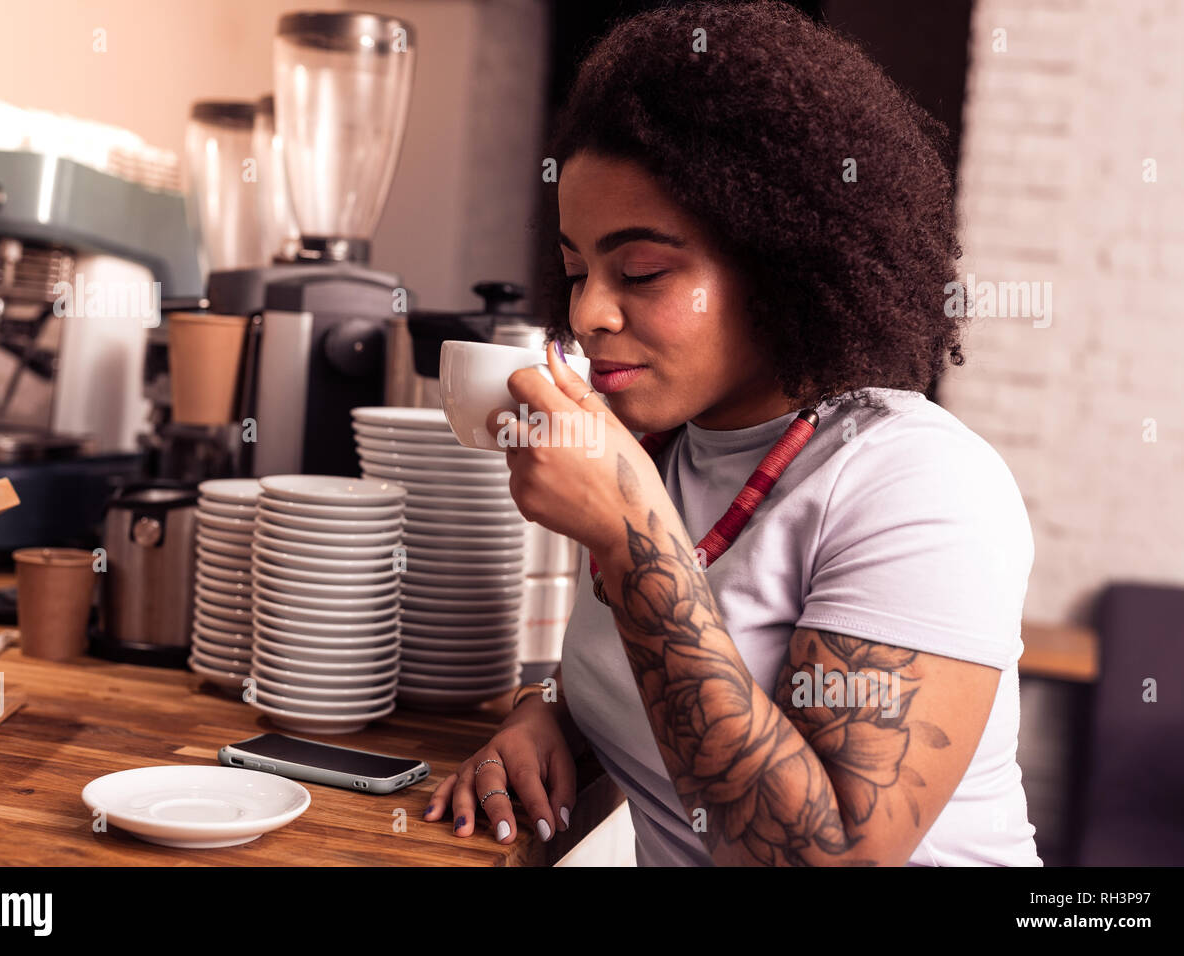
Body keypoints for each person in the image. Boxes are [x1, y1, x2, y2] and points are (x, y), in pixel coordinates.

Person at [423, 0, 1041, 866]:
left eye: (641, 270)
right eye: (576, 269)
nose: (590, 310)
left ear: (781, 260)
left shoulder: (918, 482)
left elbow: (828, 856)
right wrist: (554, 716)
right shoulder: (661, 445)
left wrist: (632, 535)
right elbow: (680, 687)